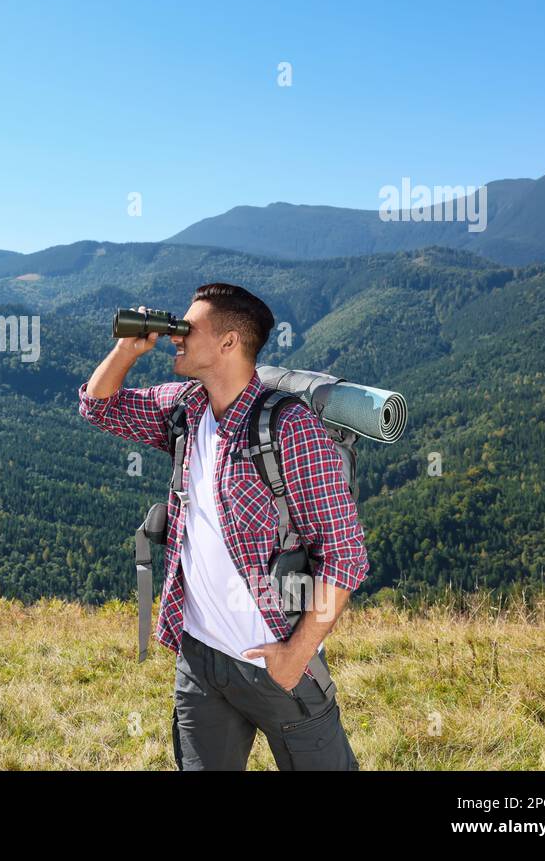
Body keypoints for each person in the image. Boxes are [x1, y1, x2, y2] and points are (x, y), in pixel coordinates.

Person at [78, 283, 368, 770]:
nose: (177, 336)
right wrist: (127, 348)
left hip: (273, 662)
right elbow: (98, 406)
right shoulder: (187, 409)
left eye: (189, 329)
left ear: (230, 343)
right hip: (199, 661)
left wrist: (296, 656)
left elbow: (346, 554)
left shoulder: (289, 429)